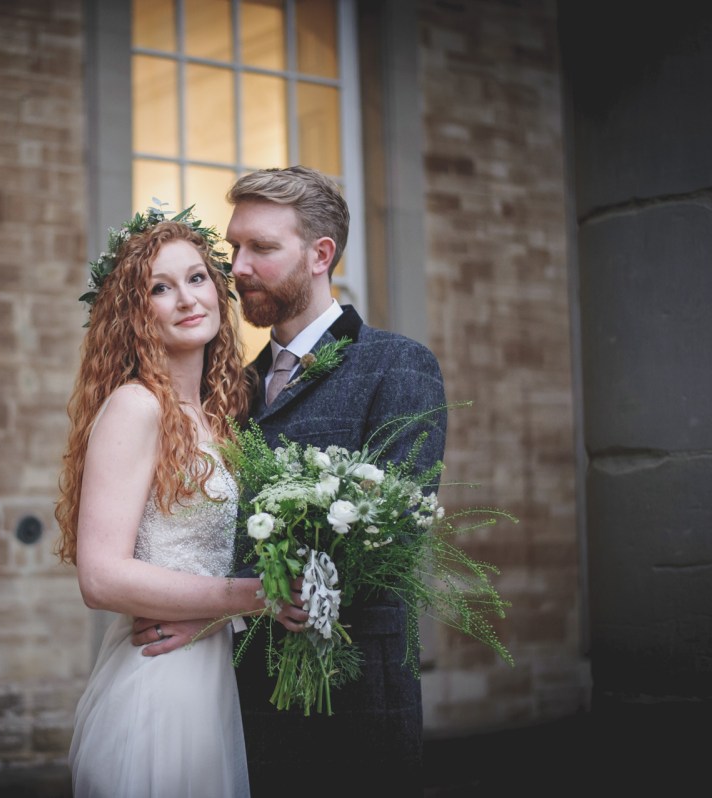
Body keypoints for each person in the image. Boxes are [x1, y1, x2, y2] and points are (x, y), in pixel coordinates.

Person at [131, 166, 448, 797]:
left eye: (262, 249)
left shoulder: (396, 365)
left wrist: (219, 613)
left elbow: (389, 540)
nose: (237, 268)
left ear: (320, 255)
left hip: (354, 705)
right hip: (239, 703)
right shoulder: (233, 388)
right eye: (234, 249)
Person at [54, 211, 309, 798]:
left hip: (215, 670)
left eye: (196, 279)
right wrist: (253, 597)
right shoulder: (135, 406)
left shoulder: (219, 416)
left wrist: (221, 612)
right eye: (159, 288)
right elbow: (100, 577)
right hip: (160, 680)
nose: (186, 299)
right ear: (134, 314)